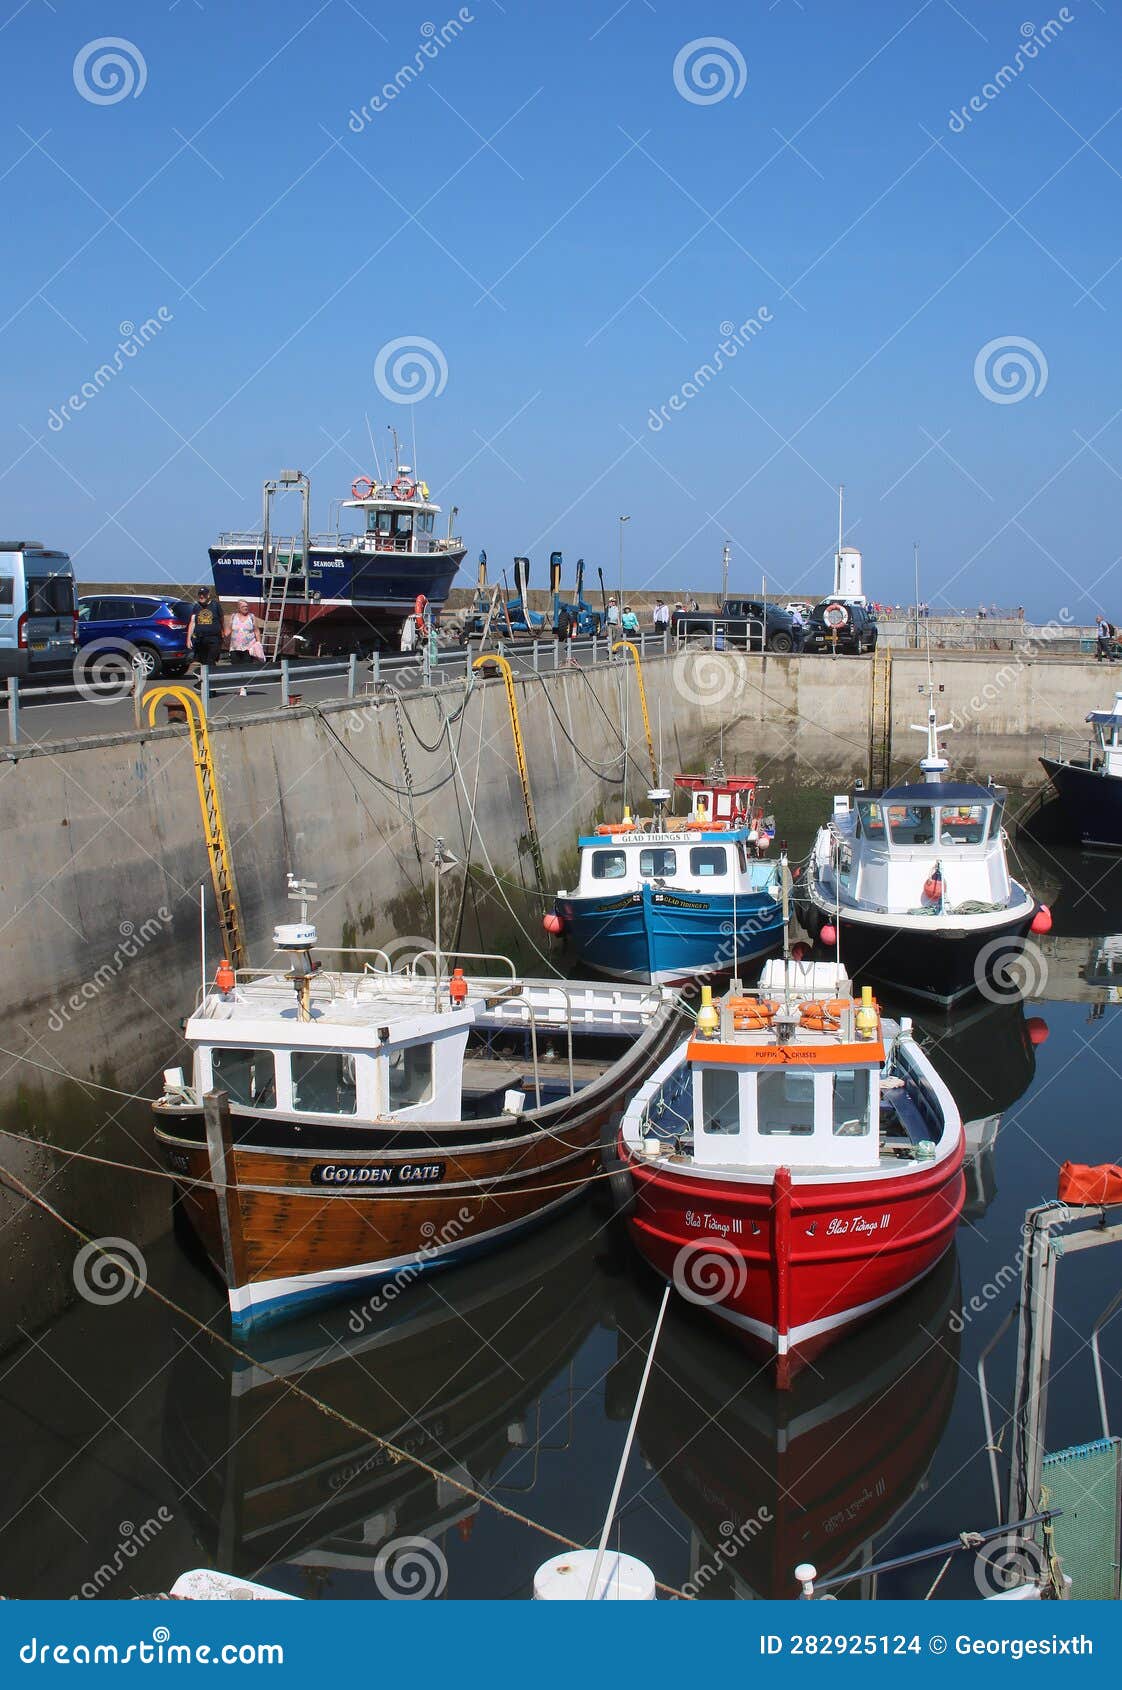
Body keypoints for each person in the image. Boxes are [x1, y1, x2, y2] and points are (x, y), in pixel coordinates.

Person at [187, 586, 222, 674]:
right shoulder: (196, 606)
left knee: (211, 660)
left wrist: (224, 632)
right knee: (203, 661)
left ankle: (212, 680)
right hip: (200, 638)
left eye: (204, 595)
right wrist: (188, 639)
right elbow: (192, 622)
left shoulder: (215, 605)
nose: (202, 597)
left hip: (214, 638)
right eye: (200, 595)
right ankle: (204, 682)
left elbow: (222, 619)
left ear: (208, 595)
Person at [227, 599, 259, 668]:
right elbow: (228, 630)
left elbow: (256, 631)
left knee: (247, 668)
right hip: (235, 648)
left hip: (248, 648)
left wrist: (258, 643)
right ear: (238, 608)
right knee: (235, 668)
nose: (245, 608)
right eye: (243, 606)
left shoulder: (251, 617)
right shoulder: (233, 617)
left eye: (247, 606)